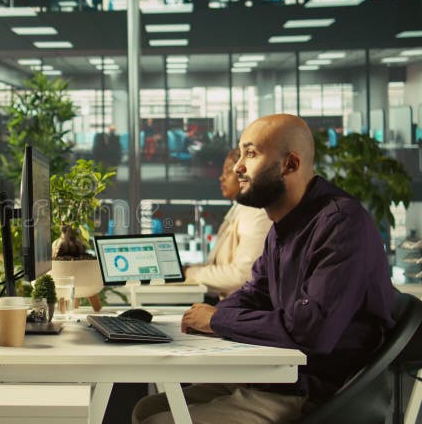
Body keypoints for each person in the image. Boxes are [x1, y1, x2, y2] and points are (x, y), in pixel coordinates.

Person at [133, 114, 395, 424]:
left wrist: (218, 319)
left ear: (290, 164)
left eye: (251, 153)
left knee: (158, 422)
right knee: (146, 409)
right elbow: (253, 292)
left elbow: (311, 331)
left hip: (316, 392)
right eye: (240, 154)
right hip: (277, 375)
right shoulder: (283, 227)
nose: (237, 167)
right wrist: (207, 316)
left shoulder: (341, 224)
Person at [184, 147, 271, 299]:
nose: (221, 178)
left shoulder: (257, 213)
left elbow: (243, 275)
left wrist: (190, 273)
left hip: (242, 313)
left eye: (227, 171)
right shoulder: (241, 210)